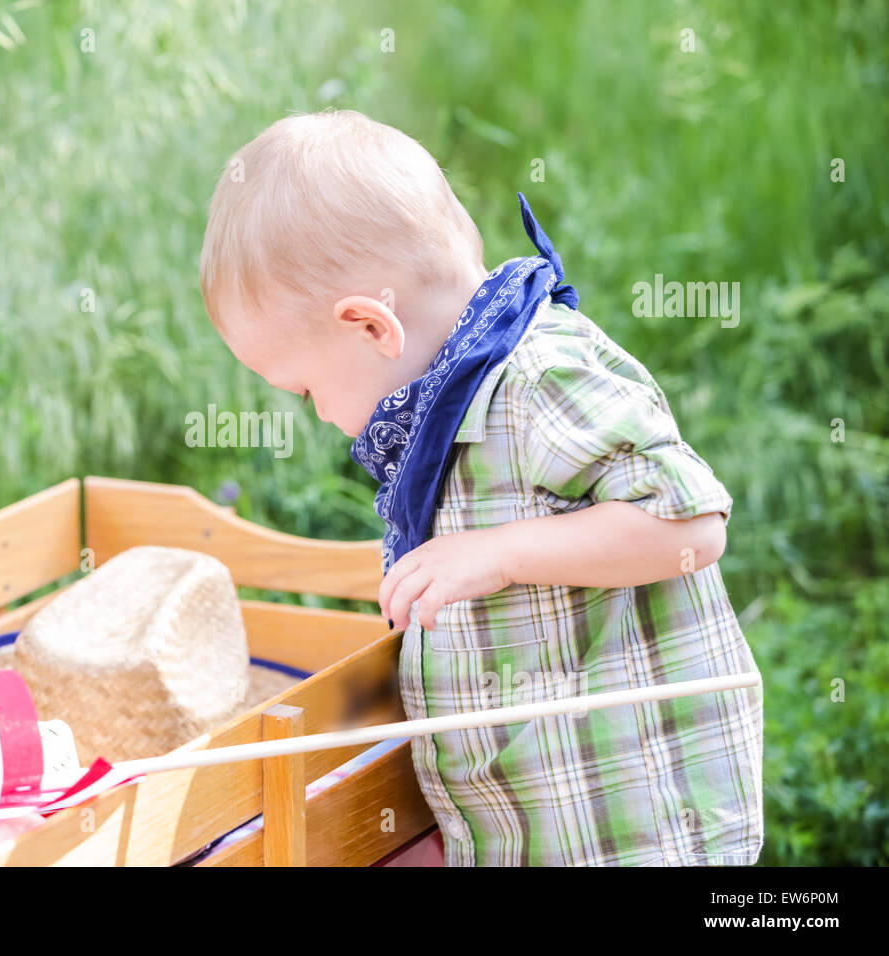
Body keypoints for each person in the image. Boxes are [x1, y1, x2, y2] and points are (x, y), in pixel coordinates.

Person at [198, 108, 764, 866]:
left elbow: (692, 527)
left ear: (371, 327)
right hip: (539, 829)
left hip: (635, 826)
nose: (319, 415)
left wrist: (500, 552)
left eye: (303, 390)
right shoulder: (445, 407)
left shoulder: (534, 381)